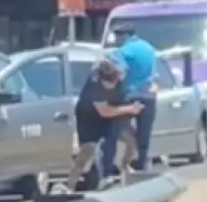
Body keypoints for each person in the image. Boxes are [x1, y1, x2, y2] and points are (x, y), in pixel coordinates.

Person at [51, 59, 143, 194]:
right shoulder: (95, 85)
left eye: (112, 83)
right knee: (87, 151)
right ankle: (70, 184)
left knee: (131, 140)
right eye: (107, 84)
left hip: (114, 110)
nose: (110, 86)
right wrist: (130, 109)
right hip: (89, 116)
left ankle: (125, 166)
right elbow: (105, 112)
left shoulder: (120, 78)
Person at [108, 23, 158, 172]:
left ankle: (123, 159)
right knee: (145, 132)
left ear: (126, 36)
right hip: (148, 96)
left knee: (120, 128)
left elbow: (120, 73)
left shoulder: (122, 52)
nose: (116, 40)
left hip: (129, 96)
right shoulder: (149, 48)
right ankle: (142, 163)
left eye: (118, 36)